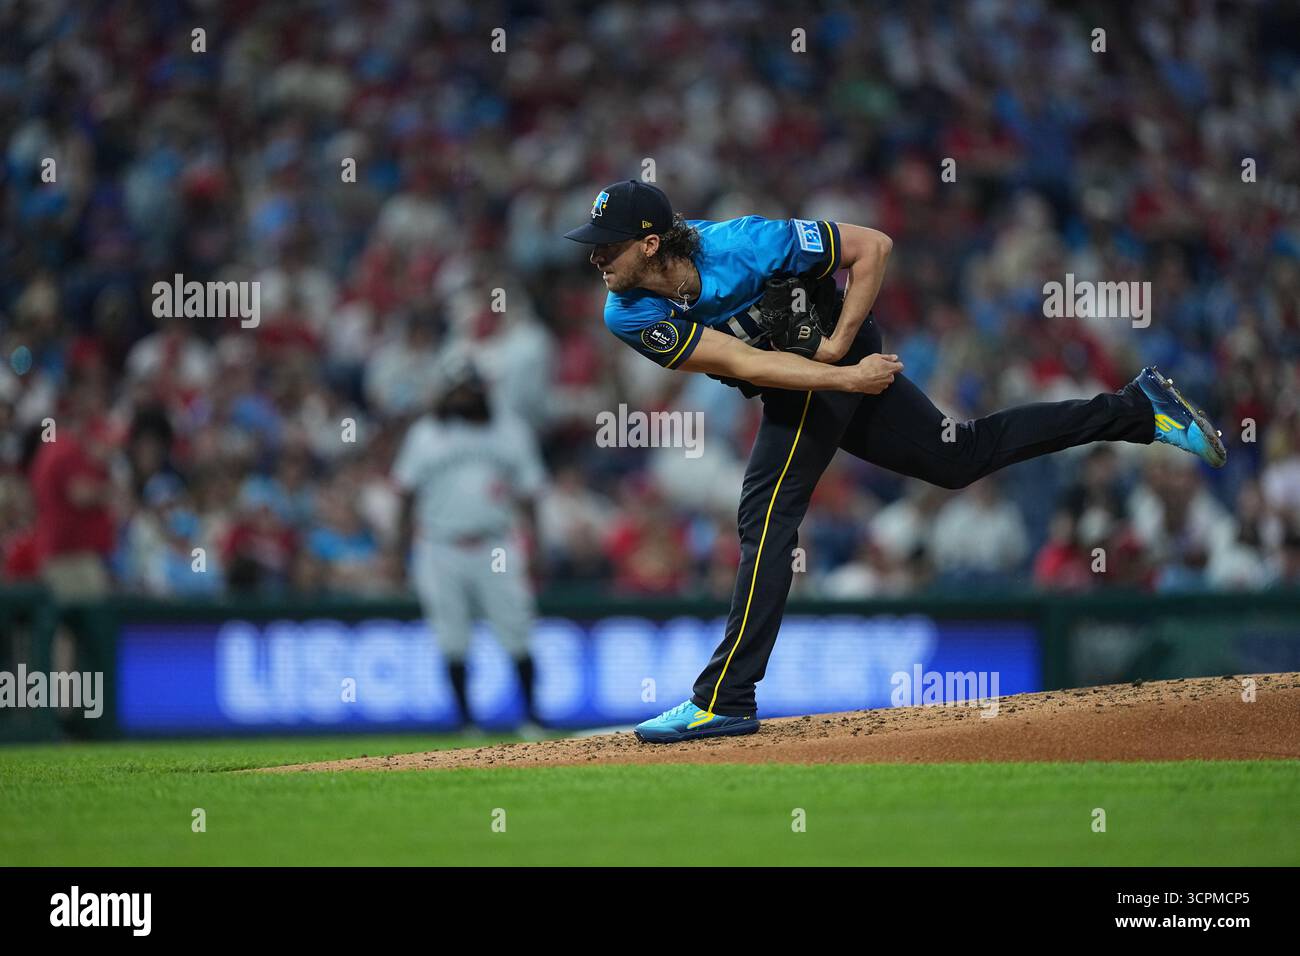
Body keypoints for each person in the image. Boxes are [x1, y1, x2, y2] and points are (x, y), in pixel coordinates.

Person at [564, 179, 1227, 743]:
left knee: (766, 512)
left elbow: (873, 247)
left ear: (651, 243)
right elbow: (740, 361)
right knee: (958, 458)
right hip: (807, 373)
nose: (595, 257)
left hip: (834, 350)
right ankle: (1137, 412)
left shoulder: (744, 242)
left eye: (606, 245)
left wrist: (842, 345)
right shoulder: (625, 311)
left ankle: (725, 698)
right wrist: (842, 376)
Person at [392, 356, 546, 735]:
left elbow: (530, 495)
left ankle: (530, 717)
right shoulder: (425, 433)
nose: (462, 396)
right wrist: (397, 553)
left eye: (469, 388)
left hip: (496, 542)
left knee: (516, 626)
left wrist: (537, 547)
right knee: (451, 634)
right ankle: (465, 721)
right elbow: (405, 496)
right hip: (439, 545)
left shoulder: (509, 430)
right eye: (456, 389)